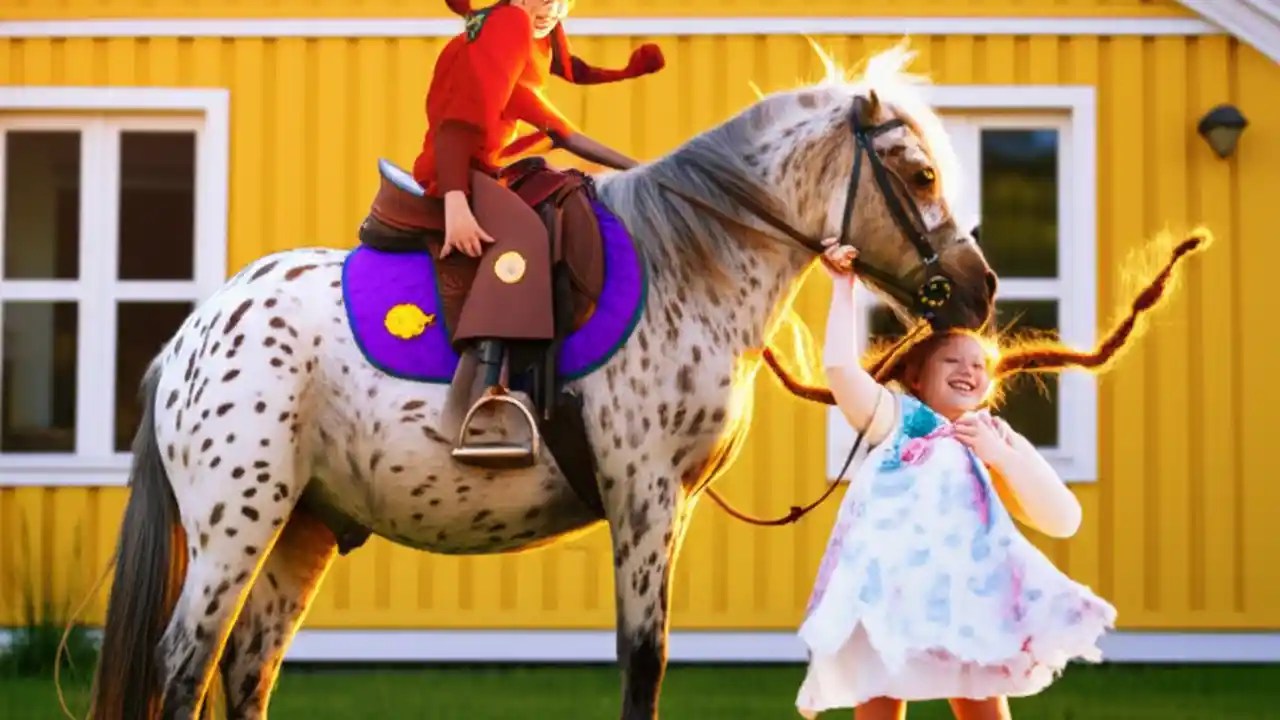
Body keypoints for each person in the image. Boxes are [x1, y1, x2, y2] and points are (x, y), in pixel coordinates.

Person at [795, 238, 1120, 720]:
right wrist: (842, 287)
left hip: (968, 597)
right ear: (917, 377)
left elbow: (1062, 517)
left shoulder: (991, 434)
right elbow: (841, 369)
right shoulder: (896, 420)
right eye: (953, 362)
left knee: (980, 701)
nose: (969, 371)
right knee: (880, 696)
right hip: (891, 593)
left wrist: (1000, 456)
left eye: (979, 366)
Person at [414, 0, 665, 260]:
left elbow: (570, 69)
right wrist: (455, 203)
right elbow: (459, 122)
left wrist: (626, 72)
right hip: (457, 173)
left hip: (487, 165)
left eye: (562, 2)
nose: (553, 11)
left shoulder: (521, 37)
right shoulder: (509, 27)